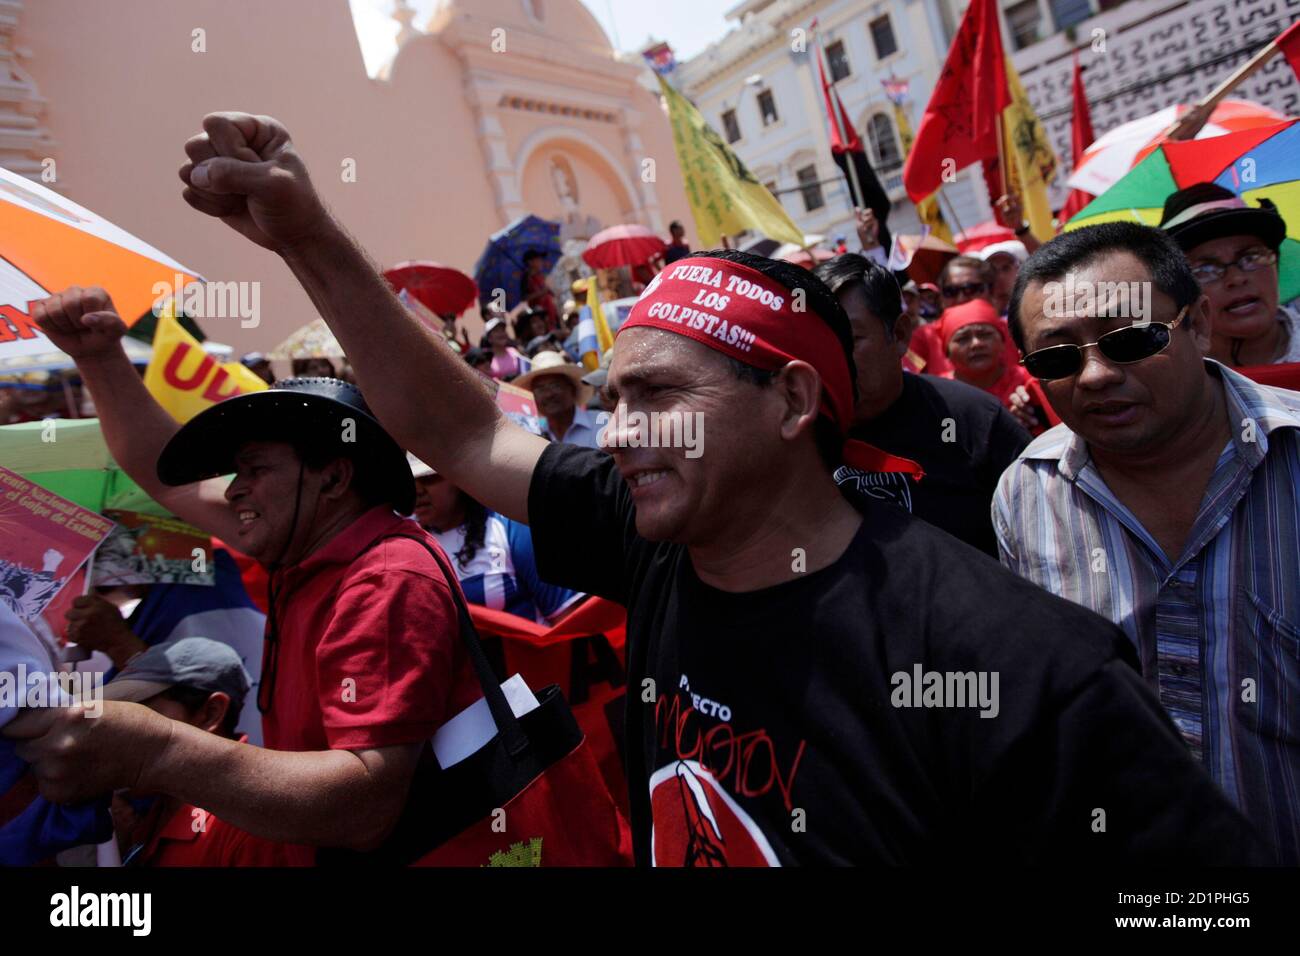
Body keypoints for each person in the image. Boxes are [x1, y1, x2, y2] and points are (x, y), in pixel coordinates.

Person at [147, 110, 1272, 866]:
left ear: (791, 403)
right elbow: (458, 423)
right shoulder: (650, 537)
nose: (616, 432)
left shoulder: (1017, 665)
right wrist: (306, 237)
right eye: (612, 400)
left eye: (657, 397)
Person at [8, 289, 482, 862]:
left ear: (333, 479)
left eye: (254, 470)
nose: (233, 489)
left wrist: (157, 752)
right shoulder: (305, 546)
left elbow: (365, 807)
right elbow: (171, 482)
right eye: (235, 472)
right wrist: (101, 356)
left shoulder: (384, 579)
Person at [993, 221, 1300, 864]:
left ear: (1199, 326)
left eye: (1130, 339)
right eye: (1057, 357)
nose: (1097, 375)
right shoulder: (1026, 494)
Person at [814, 254, 1031, 556]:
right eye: (819, 343)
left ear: (900, 334)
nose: (832, 359)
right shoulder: (797, 440)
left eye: (850, 340)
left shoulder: (974, 420)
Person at [103, 638, 310, 866]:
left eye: (140, 714)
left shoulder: (250, 827)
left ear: (211, 713)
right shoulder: (158, 804)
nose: (121, 730)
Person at [63, 546, 267, 745]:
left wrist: (117, 642)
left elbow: (180, 689)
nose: (129, 723)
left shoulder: (202, 588)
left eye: (144, 713)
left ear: (211, 714)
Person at [409, 456, 582, 625]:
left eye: (428, 478)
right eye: (411, 480)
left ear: (457, 478)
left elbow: (568, 620)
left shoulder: (513, 526)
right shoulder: (408, 545)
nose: (417, 489)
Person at [1158, 182, 1300, 366]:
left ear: (1276, 264)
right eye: (1206, 269)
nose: (1236, 278)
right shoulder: (1166, 379)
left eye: (1251, 257)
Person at [938, 298, 1057, 434]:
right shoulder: (936, 394)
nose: (977, 344)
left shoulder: (1031, 381)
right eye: (963, 338)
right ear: (946, 351)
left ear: (1002, 342)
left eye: (985, 334)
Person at [906, 255, 995, 376]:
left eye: (971, 289)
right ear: (941, 297)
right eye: (951, 291)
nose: (961, 298)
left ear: (991, 291)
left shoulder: (1011, 331)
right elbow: (907, 376)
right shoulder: (922, 338)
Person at [513, 350, 601, 448]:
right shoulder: (534, 437)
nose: (548, 394)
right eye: (540, 389)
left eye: (555, 386)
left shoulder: (602, 425)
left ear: (572, 388)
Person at [977, 239, 1029, 316]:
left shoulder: (1038, 303)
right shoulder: (980, 311)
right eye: (993, 270)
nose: (999, 276)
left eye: (1006, 268)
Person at [521, 249, 559, 329]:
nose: (541, 261)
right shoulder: (526, 278)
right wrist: (541, 292)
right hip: (542, 318)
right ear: (530, 262)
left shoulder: (541, 276)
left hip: (552, 313)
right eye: (538, 259)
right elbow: (525, 298)